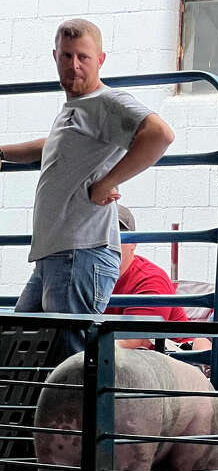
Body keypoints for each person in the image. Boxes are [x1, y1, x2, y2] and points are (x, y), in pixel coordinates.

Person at [3, 19, 175, 354]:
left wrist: (109, 181)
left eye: (83, 57)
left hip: (80, 252)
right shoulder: (76, 109)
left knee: (69, 358)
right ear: (55, 56)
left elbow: (159, 134)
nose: (73, 65)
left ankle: (77, 409)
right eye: (66, 56)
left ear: (101, 59)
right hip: (58, 253)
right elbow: (53, 145)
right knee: (19, 349)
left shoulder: (105, 103)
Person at [104, 205, 199, 350]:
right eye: (99, 234)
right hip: (125, 363)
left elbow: (131, 342)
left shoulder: (149, 279)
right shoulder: (82, 276)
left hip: (173, 363)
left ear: (133, 243)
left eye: (116, 235)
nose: (106, 243)